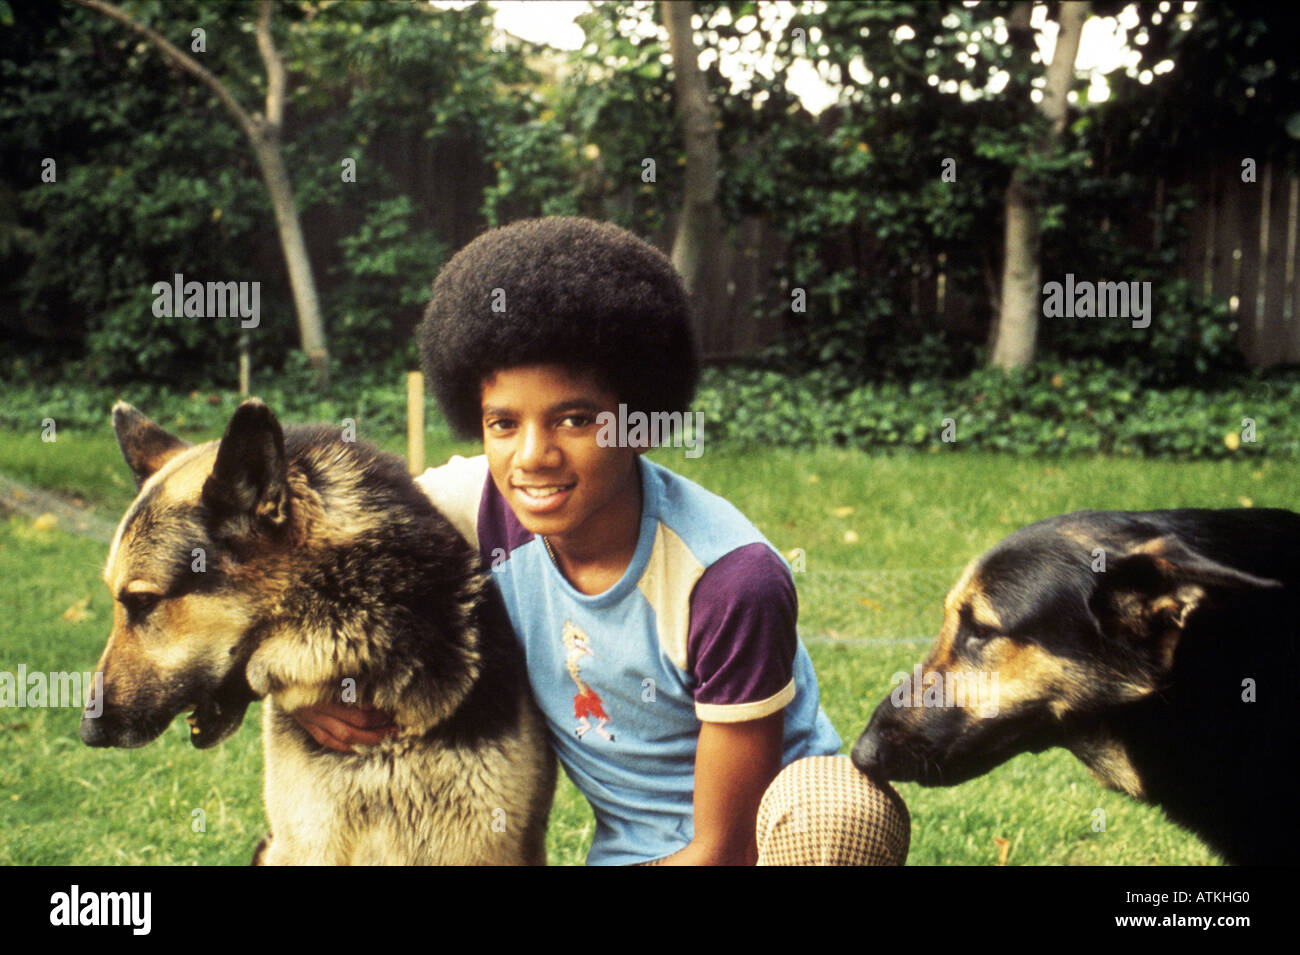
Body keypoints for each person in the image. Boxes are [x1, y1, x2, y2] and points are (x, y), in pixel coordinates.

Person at [293, 217, 909, 866]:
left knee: (842, 811)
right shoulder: (478, 506)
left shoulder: (729, 582)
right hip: (631, 857)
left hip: (774, 845)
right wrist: (300, 696)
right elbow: (284, 559)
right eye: (504, 422)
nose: (532, 457)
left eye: (575, 419)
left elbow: (723, 850)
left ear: (641, 422)